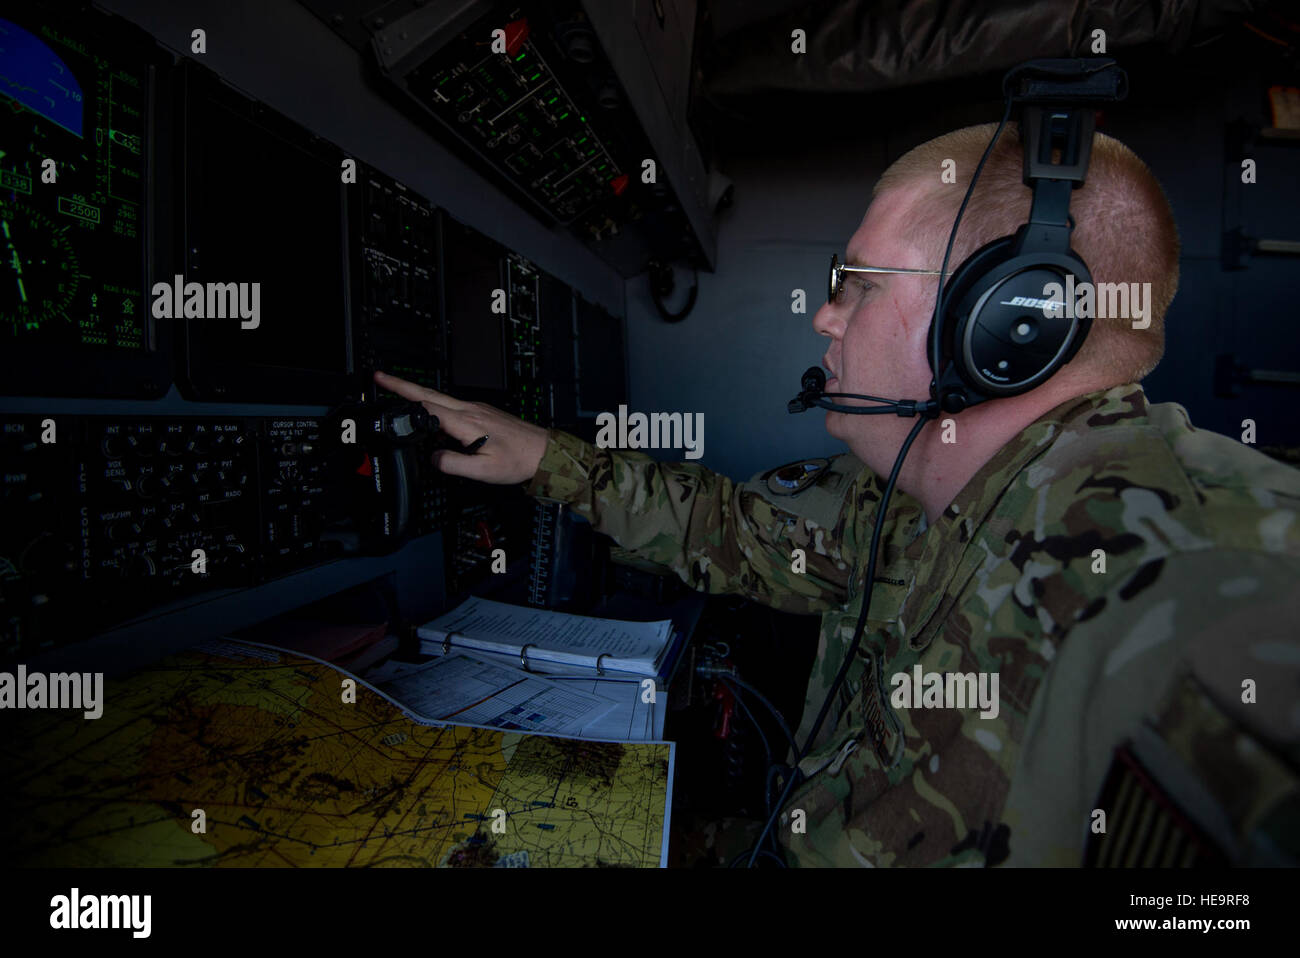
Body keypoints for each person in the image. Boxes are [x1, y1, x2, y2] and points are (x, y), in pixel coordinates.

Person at [376, 121, 1300, 867]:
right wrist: (545, 457)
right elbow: (737, 531)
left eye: (854, 284)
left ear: (1002, 327)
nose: (824, 314)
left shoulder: (1192, 570)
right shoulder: (917, 494)